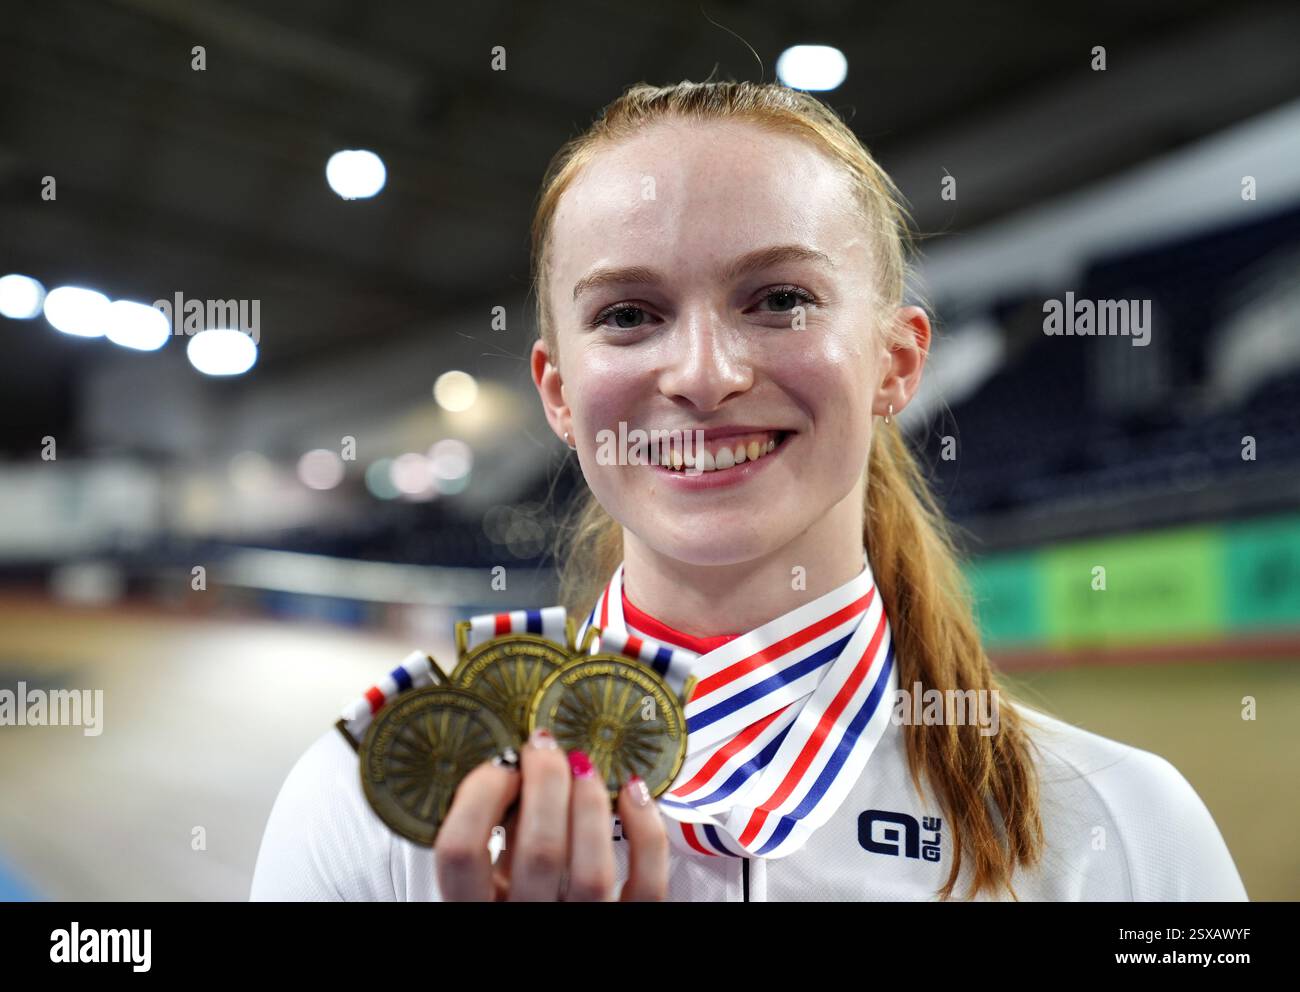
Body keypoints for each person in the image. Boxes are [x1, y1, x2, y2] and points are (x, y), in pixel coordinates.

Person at [250, 80, 1247, 902]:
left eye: (780, 299)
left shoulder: (1121, 825)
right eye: (630, 313)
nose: (703, 372)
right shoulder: (371, 796)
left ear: (896, 362)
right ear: (557, 392)